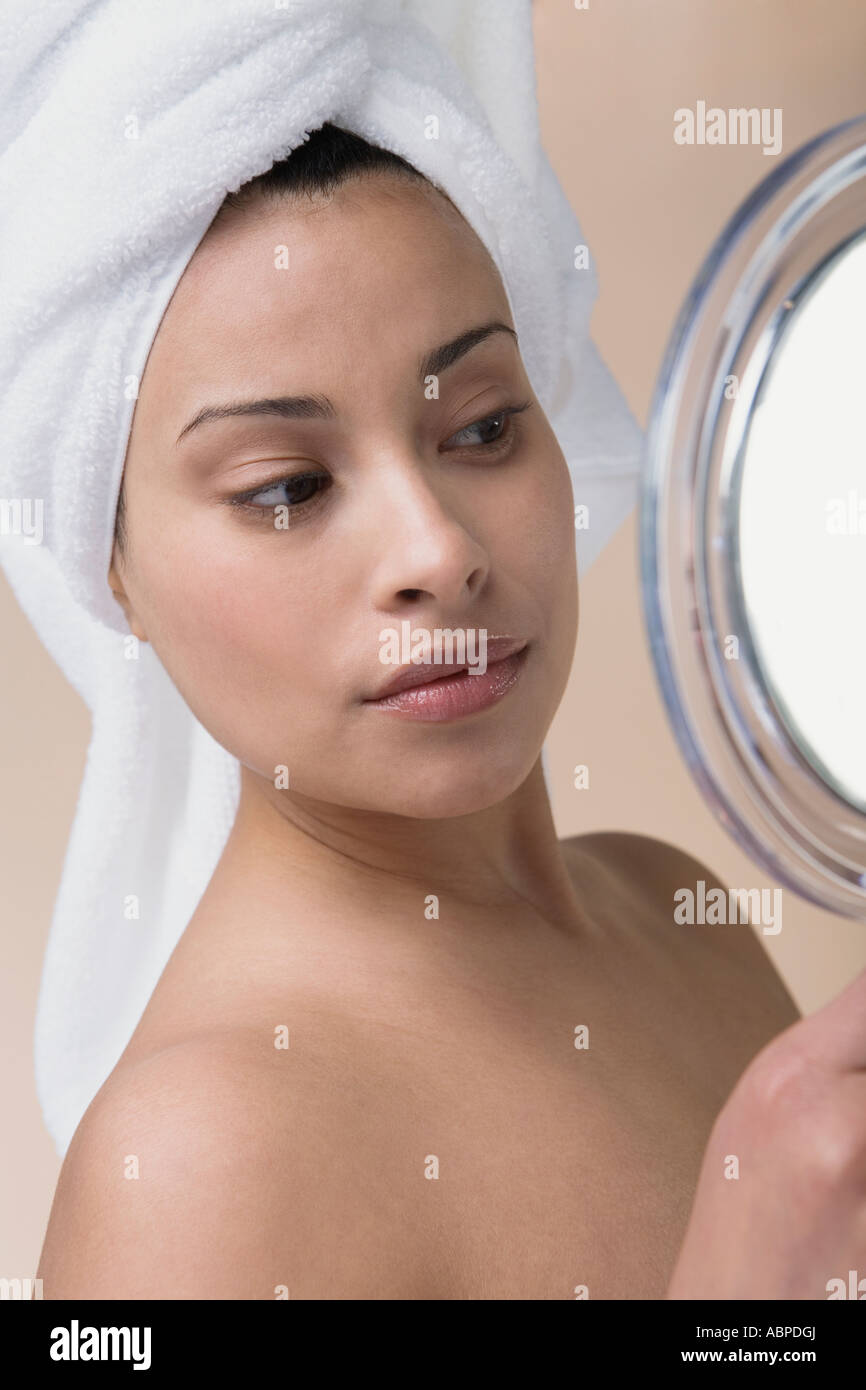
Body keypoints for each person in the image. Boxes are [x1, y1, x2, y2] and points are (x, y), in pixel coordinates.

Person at [34, 124, 860, 1301]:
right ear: (113, 569)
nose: (436, 550)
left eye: (480, 426)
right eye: (287, 488)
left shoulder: (688, 925)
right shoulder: (193, 1164)